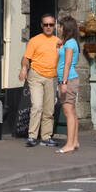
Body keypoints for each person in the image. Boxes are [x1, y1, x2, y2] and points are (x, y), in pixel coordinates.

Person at [20, 13, 61, 147]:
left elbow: (63, 60)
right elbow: (26, 57)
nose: (49, 27)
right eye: (46, 25)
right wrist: (24, 68)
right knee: (37, 106)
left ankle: (46, 137)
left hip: (52, 77)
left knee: (49, 109)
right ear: (41, 26)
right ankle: (32, 136)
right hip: (36, 75)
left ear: (54, 25)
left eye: (51, 24)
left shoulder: (58, 41)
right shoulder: (35, 40)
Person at [55, 15, 81, 154]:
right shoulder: (69, 43)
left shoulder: (70, 43)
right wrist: (59, 47)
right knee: (72, 112)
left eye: (61, 26)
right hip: (68, 79)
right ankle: (74, 141)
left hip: (68, 80)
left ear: (66, 28)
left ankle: (70, 143)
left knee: (68, 112)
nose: (59, 28)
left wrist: (64, 82)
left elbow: (67, 63)